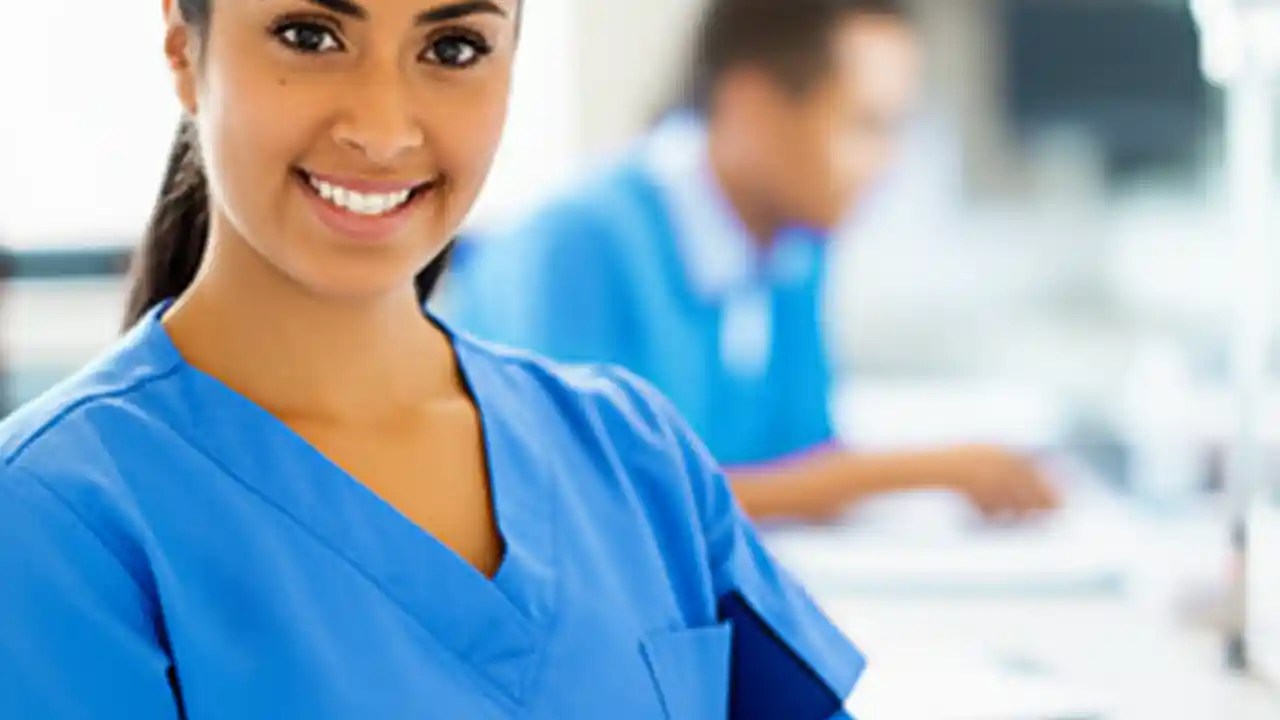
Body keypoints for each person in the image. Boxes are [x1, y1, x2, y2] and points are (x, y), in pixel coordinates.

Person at [0, 1, 865, 718]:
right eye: (310, 36)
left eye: (452, 48)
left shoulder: (635, 456)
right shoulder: (58, 516)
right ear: (184, 48)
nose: (381, 129)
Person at [448, 0, 1060, 523]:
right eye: (865, 124)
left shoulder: (795, 243)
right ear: (752, 106)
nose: (888, 164)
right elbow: (613, 507)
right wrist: (932, 470)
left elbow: (804, 455)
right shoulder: (576, 247)